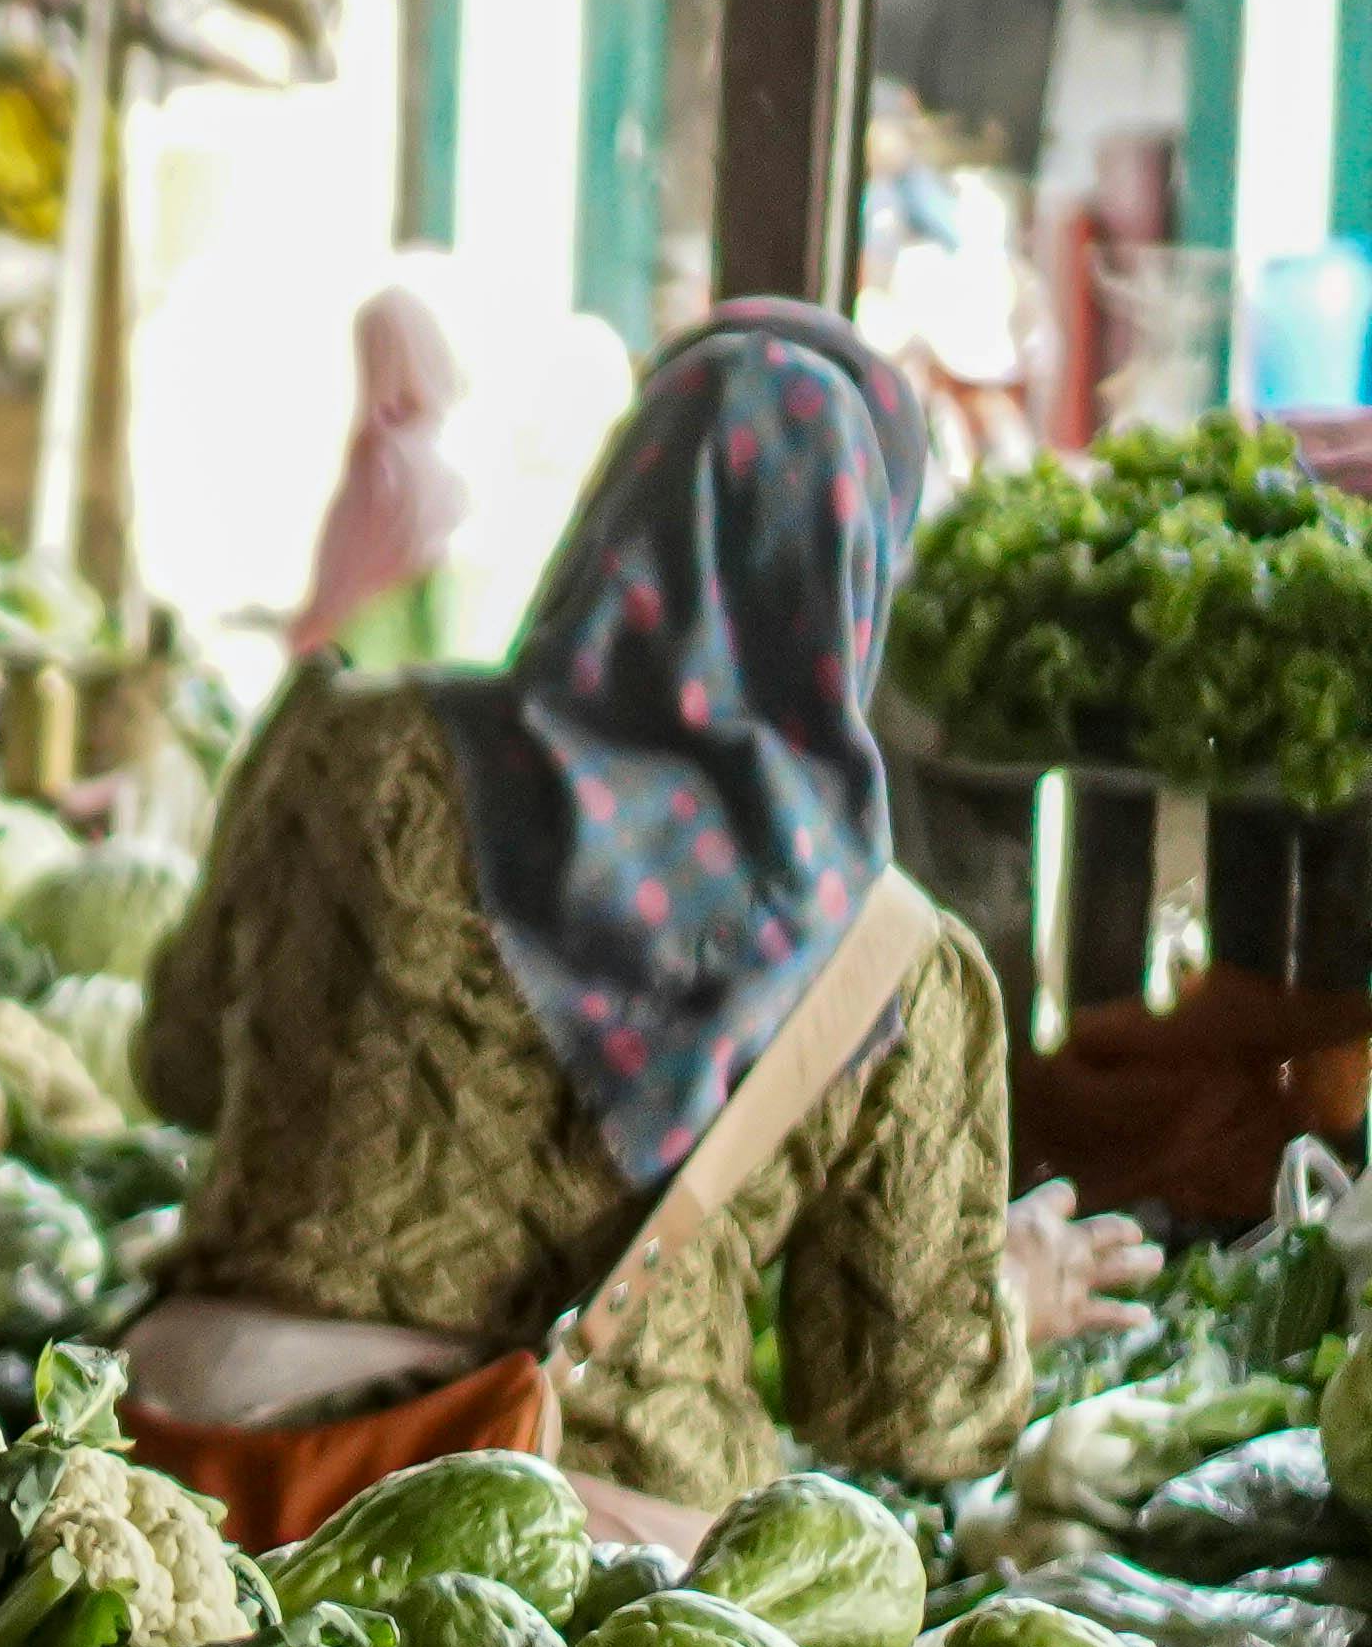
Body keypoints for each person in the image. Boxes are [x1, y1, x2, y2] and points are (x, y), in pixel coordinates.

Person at [136, 301, 1141, 1529]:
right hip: (577, 1562)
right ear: (861, 569)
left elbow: (176, 1063)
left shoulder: (354, 749)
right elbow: (899, 1406)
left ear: (615, 506)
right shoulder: (893, 962)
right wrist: (1014, 1298)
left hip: (207, 1481)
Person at [292, 285, 470, 672]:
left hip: (359, 654)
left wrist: (311, 624)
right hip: (417, 660)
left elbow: (346, 563)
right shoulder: (431, 465)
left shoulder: (381, 460)